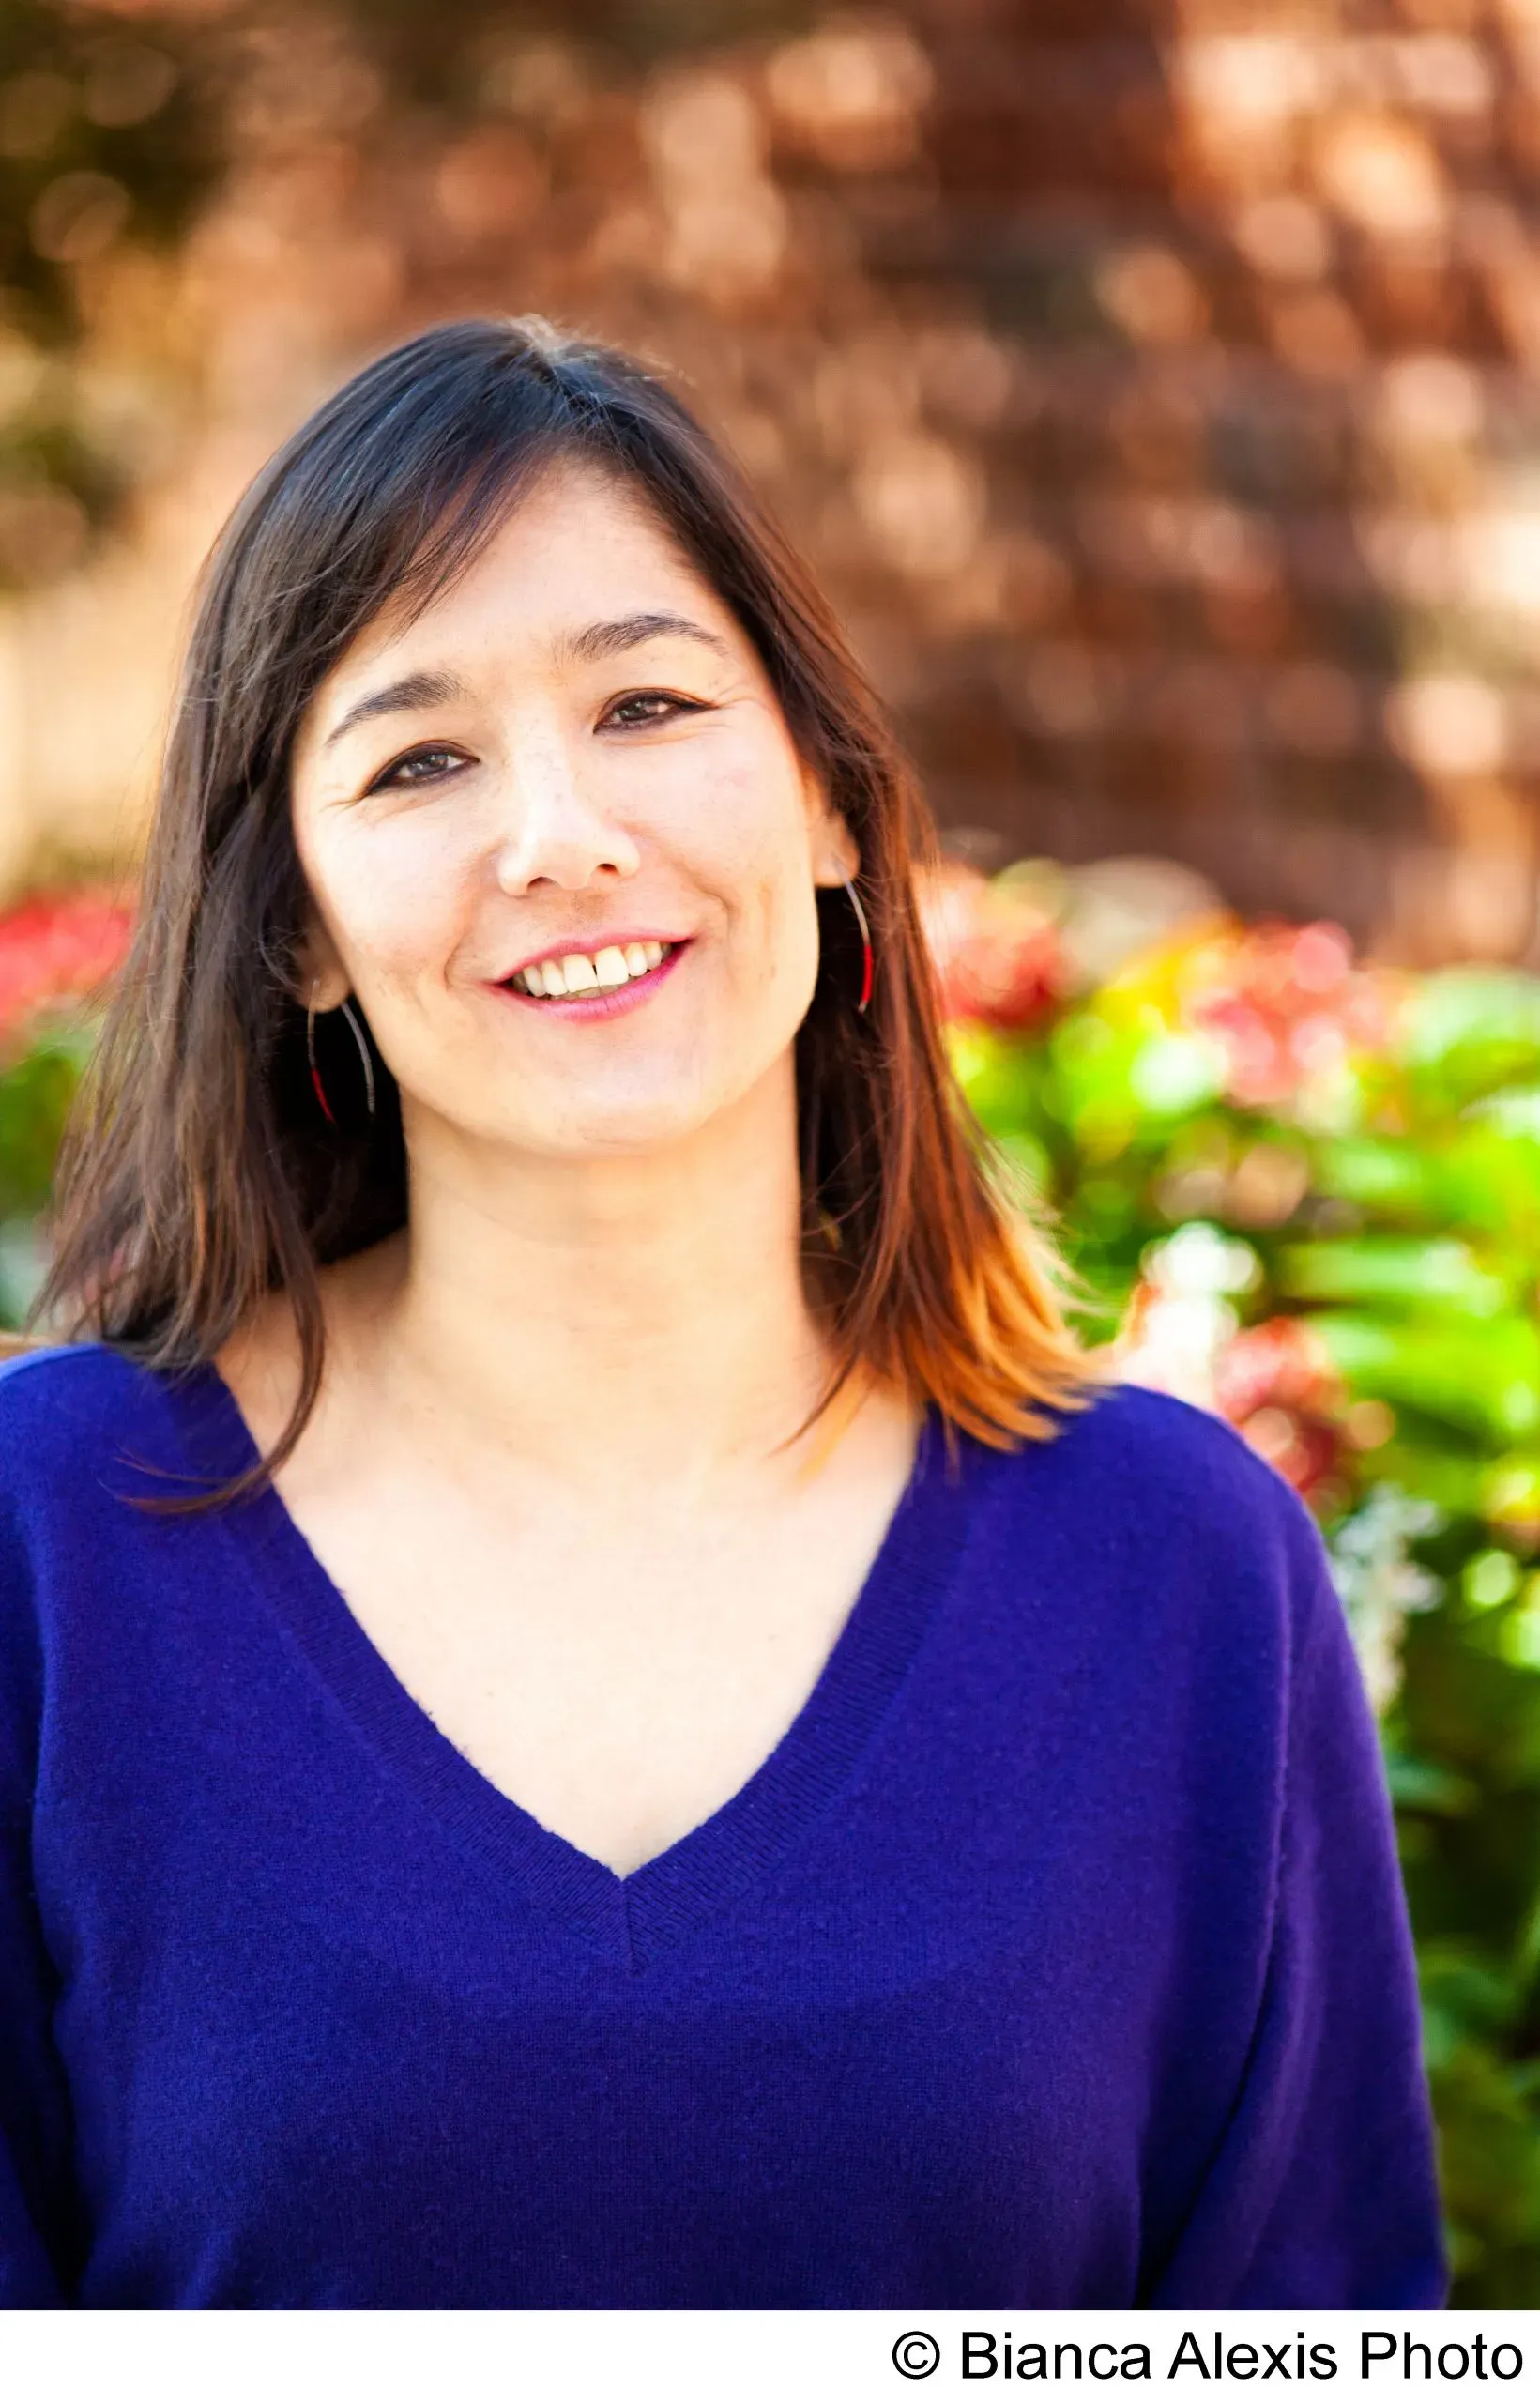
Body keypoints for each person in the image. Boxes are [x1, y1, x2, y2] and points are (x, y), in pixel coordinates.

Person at [0, 318, 1443, 2309]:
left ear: (835, 806)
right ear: (300, 931)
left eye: (649, 704)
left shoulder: (1181, 1569)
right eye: (419, 758)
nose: (562, 837)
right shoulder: (48, 1541)